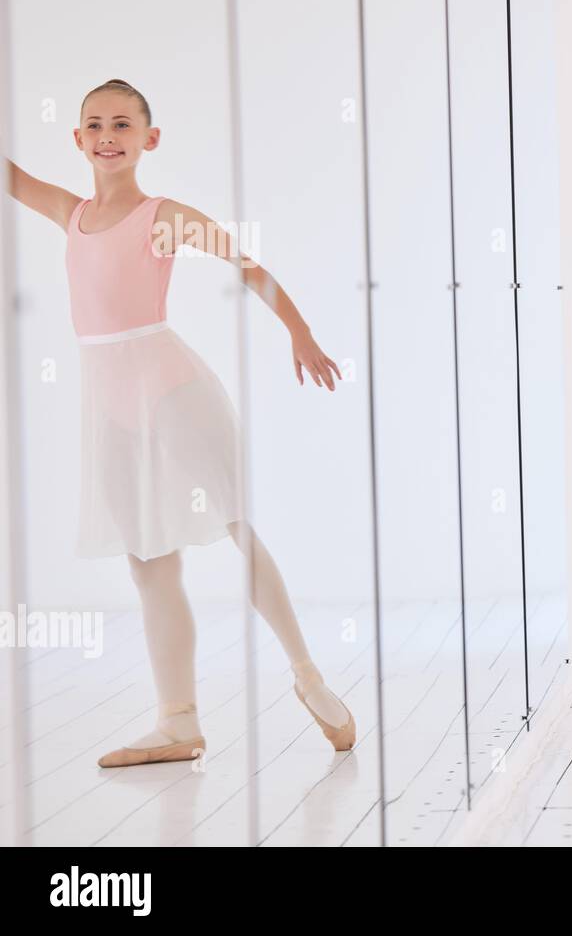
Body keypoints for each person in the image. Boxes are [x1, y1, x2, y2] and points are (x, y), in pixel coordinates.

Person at [5, 78, 357, 766]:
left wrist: (300, 332)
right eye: (95, 124)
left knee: (234, 526)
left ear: (148, 140)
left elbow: (246, 263)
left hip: (172, 390)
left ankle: (308, 677)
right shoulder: (69, 212)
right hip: (108, 404)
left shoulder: (161, 215)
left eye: (123, 125)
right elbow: (10, 178)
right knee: (148, 561)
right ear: (77, 139)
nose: (108, 135)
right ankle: (178, 720)